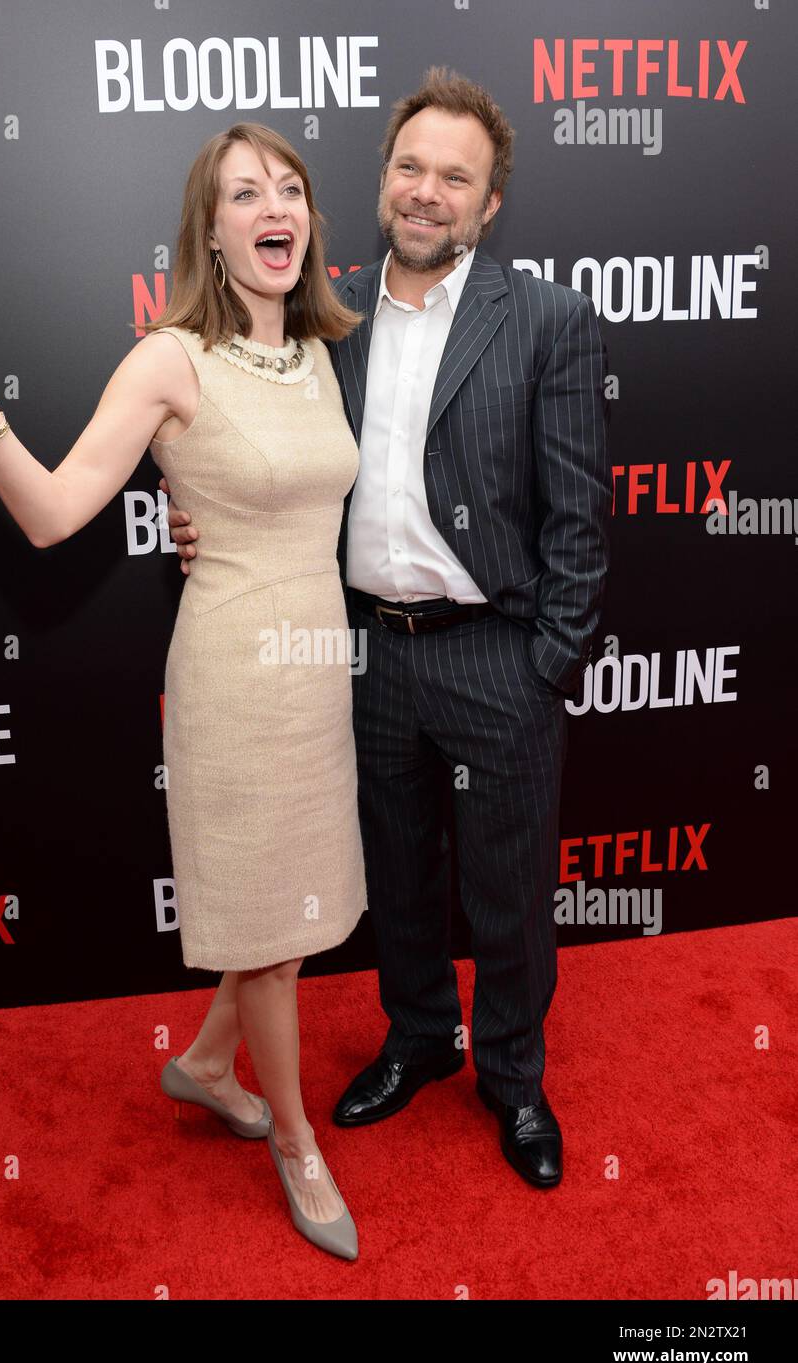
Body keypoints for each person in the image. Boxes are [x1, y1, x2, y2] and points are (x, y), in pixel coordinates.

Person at [0, 120, 368, 1262]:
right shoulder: (170, 356)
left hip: (320, 672)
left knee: (285, 910)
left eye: (289, 188)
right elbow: (48, 513)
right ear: (212, 235)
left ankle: (201, 1065)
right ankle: (292, 1138)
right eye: (243, 194)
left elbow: (305, 503)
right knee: (274, 936)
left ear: (307, 223)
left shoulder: (321, 353)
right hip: (233, 680)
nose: (272, 205)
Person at [166, 67, 612, 1190]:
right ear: (379, 183)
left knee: (506, 893)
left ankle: (511, 1079)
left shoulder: (547, 320)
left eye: (453, 177)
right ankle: (418, 1038)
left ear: (488, 201)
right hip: (361, 652)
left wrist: (546, 663)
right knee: (398, 880)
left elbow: (579, 514)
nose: (426, 192)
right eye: (408, 168)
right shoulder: (330, 321)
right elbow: (261, 458)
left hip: (494, 655)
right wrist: (200, 522)